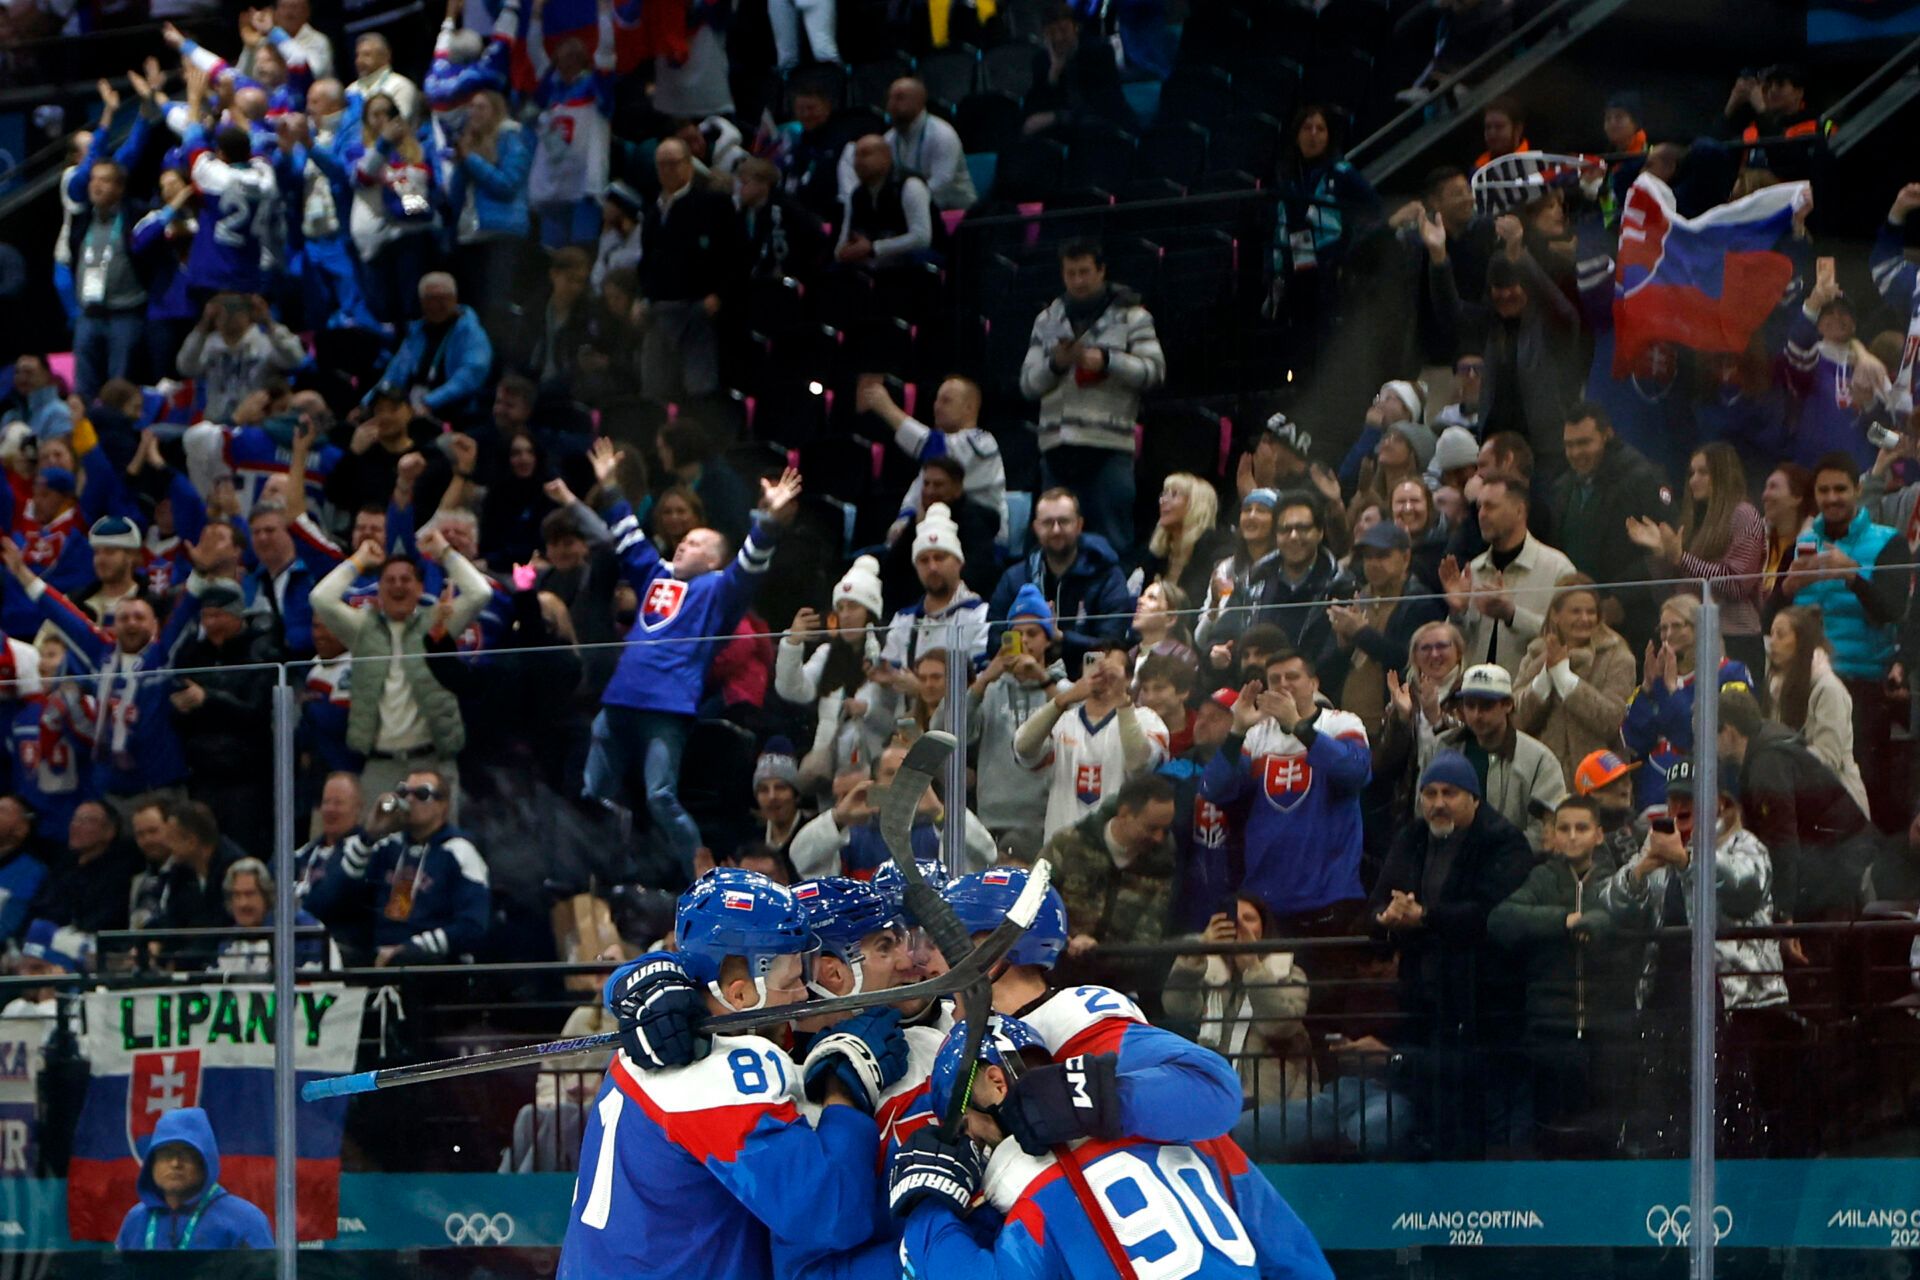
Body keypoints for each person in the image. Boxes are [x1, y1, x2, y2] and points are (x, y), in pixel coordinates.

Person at [558, 869, 894, 1280]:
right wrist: (847, 1086)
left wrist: (643, 972)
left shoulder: (648, 1037)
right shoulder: (723, 1072)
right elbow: (834, 1217)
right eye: (791, 981)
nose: (805, 994)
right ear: (739, 994)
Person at [890, 1015, 1334, 1280]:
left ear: (997, 1082)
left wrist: (927, 1206)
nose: (969, 1142)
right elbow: (1295, 1257)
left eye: (963, 1125)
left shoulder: (1035, 1204)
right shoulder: (1194, 1142)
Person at [585, 453, 802, 883]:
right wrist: (609, 485)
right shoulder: (655, 575)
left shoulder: (718, 590)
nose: (685, 544)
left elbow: (751, 563)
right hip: (620, 698)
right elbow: (628, 536)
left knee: (661, 795)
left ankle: (701, 874)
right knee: (592, 793)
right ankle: (597, 867)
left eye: (699, 543)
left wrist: (770, 520)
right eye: (685, 541)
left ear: (713, 561)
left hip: (668, 707)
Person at [1370, 750, 1533, 1157]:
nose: (1437, 803)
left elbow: (1490, 913)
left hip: (1484, 1005)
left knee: (1482, 1117)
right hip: (1423, 1001)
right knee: (1429, 1113)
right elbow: (1379, 900)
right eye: (1429, 793)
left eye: (1449, 793)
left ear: (1475, 799)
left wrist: (1424, 916)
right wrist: (1388, 916)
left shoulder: (1504, 841)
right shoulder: (1412, 836)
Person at [309, 527, 493, 803]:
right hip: (380, 767)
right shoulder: (362, 628)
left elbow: (480, 592)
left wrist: (444, 552)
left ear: (420, 588)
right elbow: (320, 599)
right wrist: (359, 560)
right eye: (389, 580)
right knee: (378, 842)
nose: (397, 586)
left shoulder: (438, 624)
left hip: (433, 762)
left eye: (406, 580)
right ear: (379, 588)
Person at [1487, 794, 1624, 1144]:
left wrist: (1598, 921)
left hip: (1605, 1030)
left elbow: (1623, 916)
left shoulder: (1616, 881)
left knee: (1602, 1138)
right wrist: (1562, 920)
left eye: (1582, 828)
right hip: (1550, 1027)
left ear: (1599, 834)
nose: (1573, 836)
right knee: (1549, 1136)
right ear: (1554, 835)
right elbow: (1501, 918)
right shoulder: (1541, 878)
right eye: (1564, 828)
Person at [1203, 648, 1370, 931]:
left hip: (1330, 894)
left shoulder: (1342, 723)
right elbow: (1214, 790)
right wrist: (1236, 733)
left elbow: (1356, 773)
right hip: (1265, 899)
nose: (1283, 684)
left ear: (1314, 684)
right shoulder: (1256, 735)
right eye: (1275, 679)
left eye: (1292, 676)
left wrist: (1298, 726)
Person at [1786, 453, 1908, 824]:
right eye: (1823, 490)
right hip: (1803, 687)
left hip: (1862, 688)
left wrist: (1853, 576)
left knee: (1861, 795)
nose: (1832, 497)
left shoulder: (1890, 543)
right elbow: (1773, 615)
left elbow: (1891, 611)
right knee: (1805, 794)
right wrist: (1785, 588)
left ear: (1858, 489)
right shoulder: (1803, 543)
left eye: (1841, 488)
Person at [1020, 240, 1166, 550]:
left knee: (1111, 540)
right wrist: (1056, 364)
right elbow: (1028, 384)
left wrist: (1108, 361)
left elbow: (1154, 371)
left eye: (1085, 272)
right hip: (1056, 448)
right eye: (1071, 273)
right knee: (1054, 543)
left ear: (1101, 271)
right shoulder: (1047, 320)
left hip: (1108, 446)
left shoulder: (1132, 316)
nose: (1078, 280)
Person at [1716, 690, 1876, 924]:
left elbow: (1782, 841)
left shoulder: (1768, 767)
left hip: (1836, 870)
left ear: (1729, 732)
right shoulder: (1767, 745)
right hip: (1834, 861)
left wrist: (1784, 913)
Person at [305, 769, 488, 965]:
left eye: (421, 794)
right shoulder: (387, 847)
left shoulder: (460, 852)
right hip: (380, 959)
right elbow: (337, 896)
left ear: (443, 805)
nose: (409, 800)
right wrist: (368, 836)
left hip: (434, 965)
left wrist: (410, 948)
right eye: (403, 792)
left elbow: (473, 925)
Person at [1163, 891, 1312, 1110]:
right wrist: (1197, 952)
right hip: (1212, 1094)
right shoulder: (1208, 973)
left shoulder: (1289, 972)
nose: (1240, 926)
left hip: (1275, 1101)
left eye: (1249, 919)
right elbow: (1176, 1008)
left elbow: (1281, 1025)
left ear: (1264, 928)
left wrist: (1253, 968)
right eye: (1233, 919)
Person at [1628, 442, 1768, 673]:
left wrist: (1681, 558)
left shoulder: (1744, 515)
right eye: (1691, 473)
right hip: (1691, 637)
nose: (1693, 480)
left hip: (1734, 637)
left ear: (1724, 474)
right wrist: (1661, 554)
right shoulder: (1691, 521)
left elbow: (1736, 583)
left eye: (1703, 472)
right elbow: (1670, 592)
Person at [1014, 640, 1168, 843]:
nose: (1102, 676)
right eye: (1095, 667)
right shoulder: (1061, 720)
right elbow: (1023, 749)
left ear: (1129, 677)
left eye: (1111, 669)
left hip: (1119, 853)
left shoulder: (1147, 719)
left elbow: (1139, 764)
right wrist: (1061, 701)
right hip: (1061, 851)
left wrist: (1122, 700)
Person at [1549, 402, 1673, 649]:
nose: (1575, 453)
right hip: (1576, 619)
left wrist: (1620, 599)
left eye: (1584, 443)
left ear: (1607, 435)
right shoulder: (1563, 488)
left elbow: (1664, 550)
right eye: (1569, 445)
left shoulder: (1641, 479)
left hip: (1632, 621)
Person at [1043, 772, 1178, 991]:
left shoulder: (1162, 865)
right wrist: (1067, 942)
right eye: (1152, 828)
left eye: (1165, 829)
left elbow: (1146, 943)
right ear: (1124, 813)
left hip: (1116, 988)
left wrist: (1099, 950)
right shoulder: (1069, 844)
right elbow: (1033, 904)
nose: (1159, 838)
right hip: (1052, 976)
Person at [1623, 593, 1756, 813]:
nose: (1668, 635)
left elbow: (1697, 738)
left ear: (1699, 628)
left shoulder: (1731, 673)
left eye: (1676, 626)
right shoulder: (1657, 679)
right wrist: (1647, 687)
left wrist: (1673, 691)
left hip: (1705, 792)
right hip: (1651, 796)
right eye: (1663, 628)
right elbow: (1632, 743)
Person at [1439, 470, 1575, 678]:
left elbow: (1570, 638)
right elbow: (1454, 648)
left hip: (1531, 697)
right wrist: (1458, 613)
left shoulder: (1558, 569)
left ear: (1519, 511)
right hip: (1476, 699)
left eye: (1490, 506)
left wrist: (1512, 615)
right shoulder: (1473, 571)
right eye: (1479, 507)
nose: (1482, 514)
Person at [969, 587, 1070, 861]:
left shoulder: (1062, 687)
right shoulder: (989, 690)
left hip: (1045, 819)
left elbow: (1076, 726)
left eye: (1033, 633)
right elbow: (954, 731)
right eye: (1017, 634)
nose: (1024, 641)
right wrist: (983, 680)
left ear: (1047, 639)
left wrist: (1041, 678)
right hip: (991, 820)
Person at [639, 139, 744, 403]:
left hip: (698, 305)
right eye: (661, 165)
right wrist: (644, 296)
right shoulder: (654, 211)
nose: (667, 171)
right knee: (655, 387)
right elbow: (648, 259)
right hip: (661, 307)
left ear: (688, 165)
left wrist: (719, 295)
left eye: (673, 164)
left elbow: (736, 255)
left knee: (699, 385)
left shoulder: (714, 204)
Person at [986, 488, 1133, 671]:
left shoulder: (1107, 575)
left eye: (1063, 521)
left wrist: (1061, 638)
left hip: (1089, 682)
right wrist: (1030, 643)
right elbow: (994, 641)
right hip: (1024, 680)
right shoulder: (1014, 578)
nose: (1056, 530)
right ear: (1036, 528)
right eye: (1048, 523)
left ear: (1079, 525)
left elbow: (1113, 644)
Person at [1512, 575, 1636, 791]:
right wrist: (1544, 678)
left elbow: (1611, 720)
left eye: (1591, 612)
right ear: (1555, 615)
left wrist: (1565, 679)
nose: (1585, 618)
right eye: (1576, 611)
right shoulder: (1534, 655)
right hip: (1542, 780)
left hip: (1600, 783)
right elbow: (1515, 719)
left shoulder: (1618, 657)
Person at [1433, 663, 1567, 849]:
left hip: (1512, 865)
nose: (1477, 715)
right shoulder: (1442, 747)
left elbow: (1545, 829)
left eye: (1486, 706)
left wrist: (1501, 855)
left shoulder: (1539, 759)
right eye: (1470, 705)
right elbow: (1424, 811)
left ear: (1508, 704)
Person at [860, 374, 1007, 545]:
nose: (937, 406)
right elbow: (914, 498)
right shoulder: (934, 459)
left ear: (969, 407)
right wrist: (901, 525)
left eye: (946, 401)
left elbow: (933, 445)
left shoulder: (983, 442)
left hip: (982, 542)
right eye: (936, 400)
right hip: (936, 538)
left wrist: (887, 408)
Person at [114, 1107, 272, 1250]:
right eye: (166, 1153)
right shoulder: (136, 1220)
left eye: (186, 1153)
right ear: (151, 1163)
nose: (175, 1163)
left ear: (205, 1161)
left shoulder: (244, 1220)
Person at [1765, 606, 1871, 818]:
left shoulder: (1828, 689)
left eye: (1781, 635)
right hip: (1796, 799)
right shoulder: (1776, 687)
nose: (1772, 642)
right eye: (1771, 634)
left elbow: (1828, 758)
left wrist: (1779, 762)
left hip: (1839, 805)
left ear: (1802, 641)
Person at [879, 504, 990, 674]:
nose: (932, 567)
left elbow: (983, 684)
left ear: (959, 562)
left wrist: (921, 690)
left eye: (940, 558)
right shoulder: (903, 620)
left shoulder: (980, 616)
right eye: (924, 560)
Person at [379, 273, 496, 427]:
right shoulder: (416, 331)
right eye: (430, 299)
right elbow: (395, 373)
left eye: (442, 299)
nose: (435, 305)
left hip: (451, 414)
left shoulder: (472, 334)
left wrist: (430, 402)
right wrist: (368, 402)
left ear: (454, 299)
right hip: (409, 409)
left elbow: (470, 376)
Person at [175, 294, 307, 424]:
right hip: (215, 424)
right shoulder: (209, 344)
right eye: (221, 313)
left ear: (248, 315)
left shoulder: (266, 344)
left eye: (234, 311)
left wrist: (268, 322)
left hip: (256, 425)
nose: (228, 318)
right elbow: (185, 368)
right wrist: (202, 328)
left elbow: (296, 359)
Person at [834, 135, 936, 272]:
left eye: (865, 154)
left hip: (917, 264)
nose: (858, 162)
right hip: (876, 265)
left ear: (886, 156)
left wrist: (875, 248)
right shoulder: (856, 194)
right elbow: (842, 242)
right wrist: (844, 252)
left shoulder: (910, 186)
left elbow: (921, 238)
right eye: (856, 156)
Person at [1140, 473, 1234, 611]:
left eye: (1174, 494)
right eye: (1163, 494)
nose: (1163, 500)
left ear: (1196, 505)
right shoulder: (1157, 557)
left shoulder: (1214, 549)